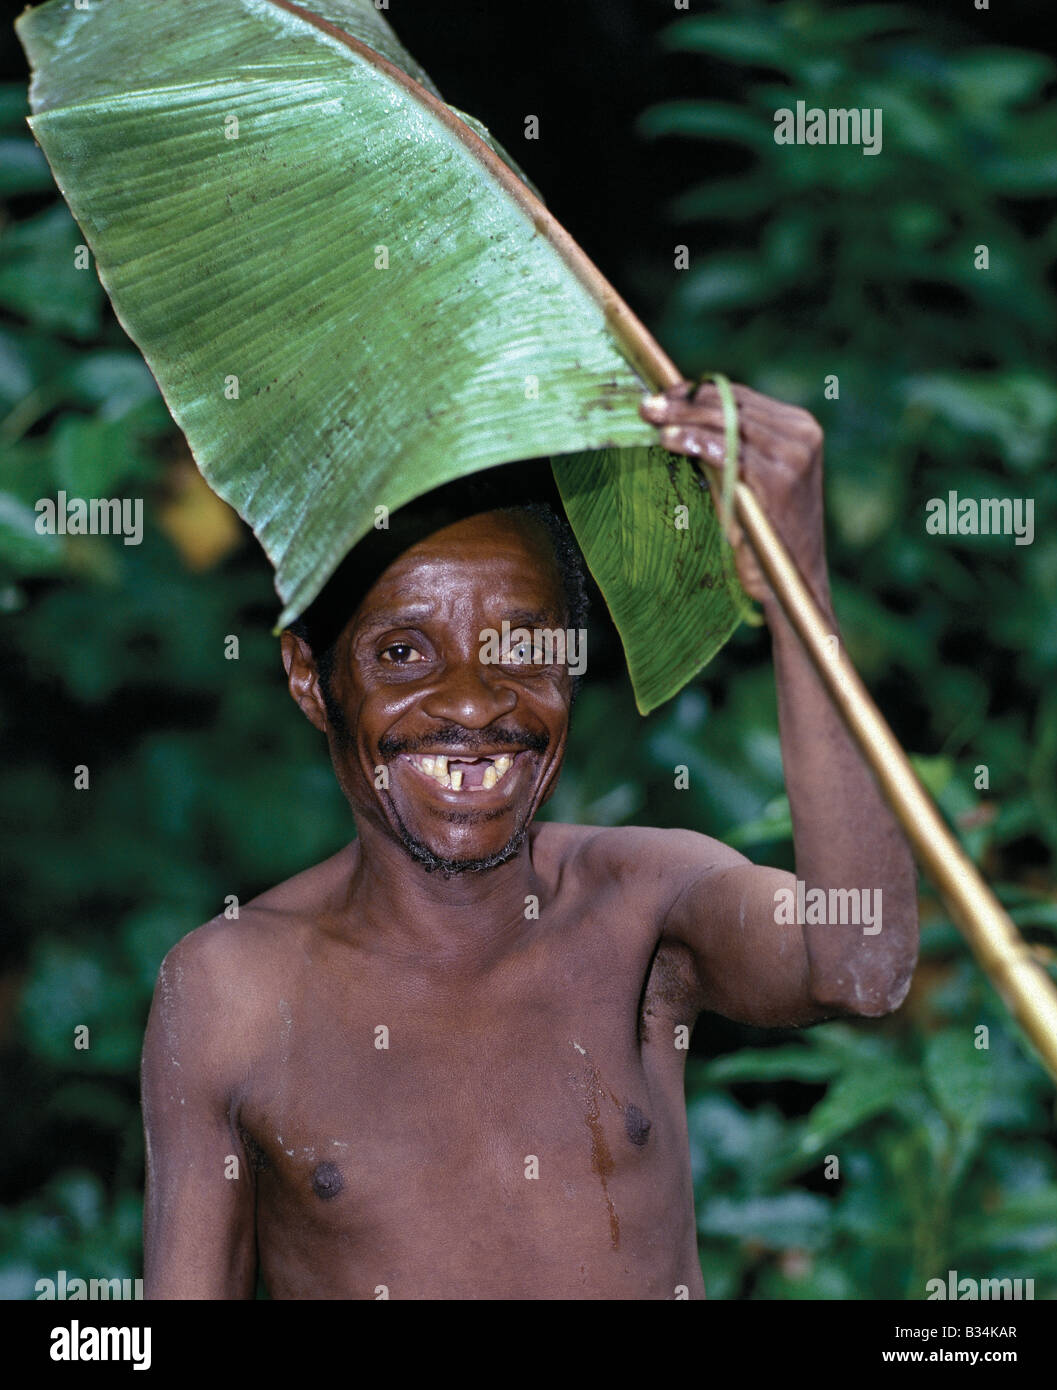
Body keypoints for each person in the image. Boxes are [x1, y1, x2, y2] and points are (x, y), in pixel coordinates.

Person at [141, 381, 918, 1299]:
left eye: (524, 648)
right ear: (311, 680)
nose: (472, 700)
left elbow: (859, 964)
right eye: (403, 652)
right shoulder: (233, 990)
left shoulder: (640, 905)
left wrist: (799, 596)